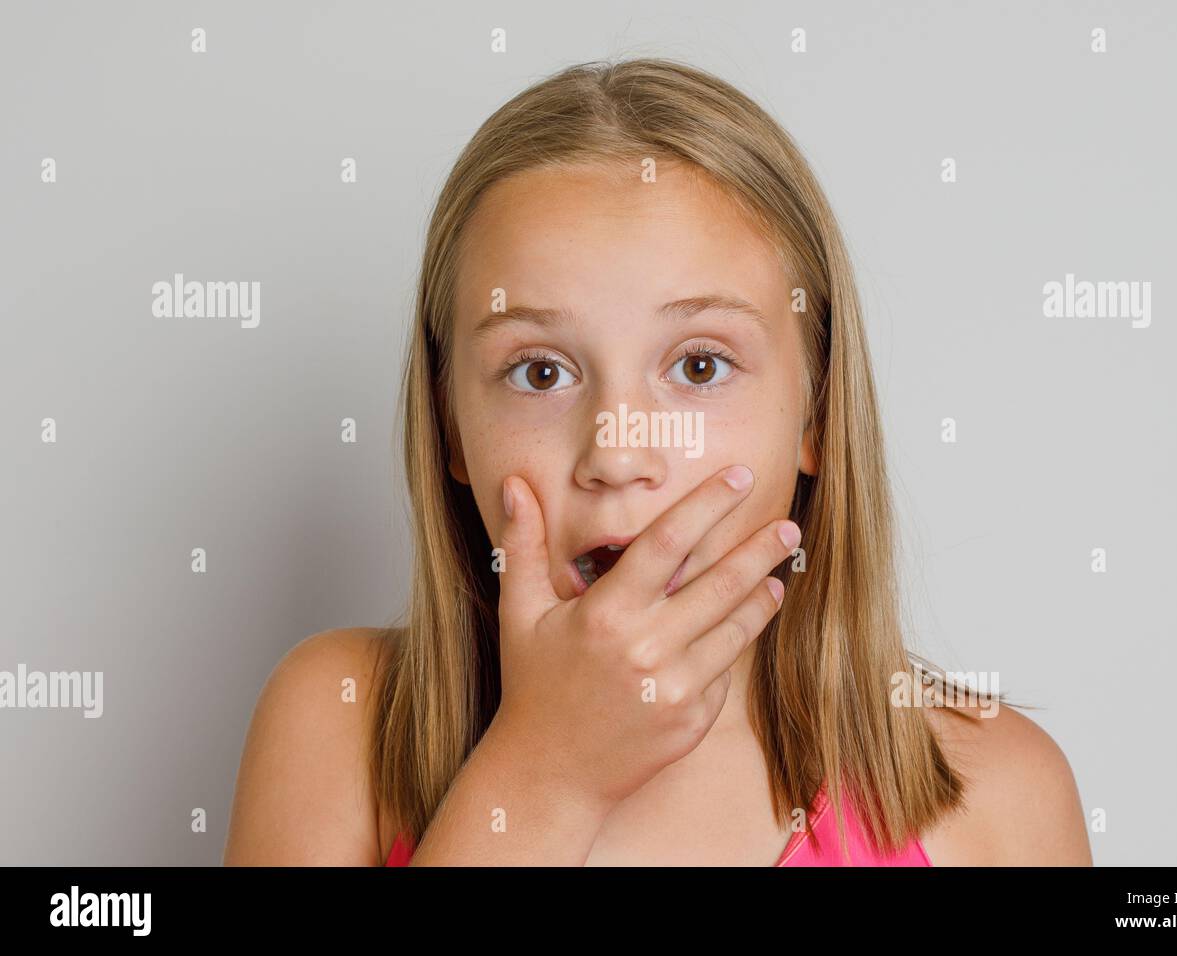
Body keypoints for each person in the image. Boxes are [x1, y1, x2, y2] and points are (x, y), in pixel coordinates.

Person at [223, 57, 1091, 867]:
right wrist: (546, 774)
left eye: (700, 366)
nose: (617, 452)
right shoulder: (339, 722)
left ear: (815, 415)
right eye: (540, 372)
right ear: (451, 427)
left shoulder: (996, 796)